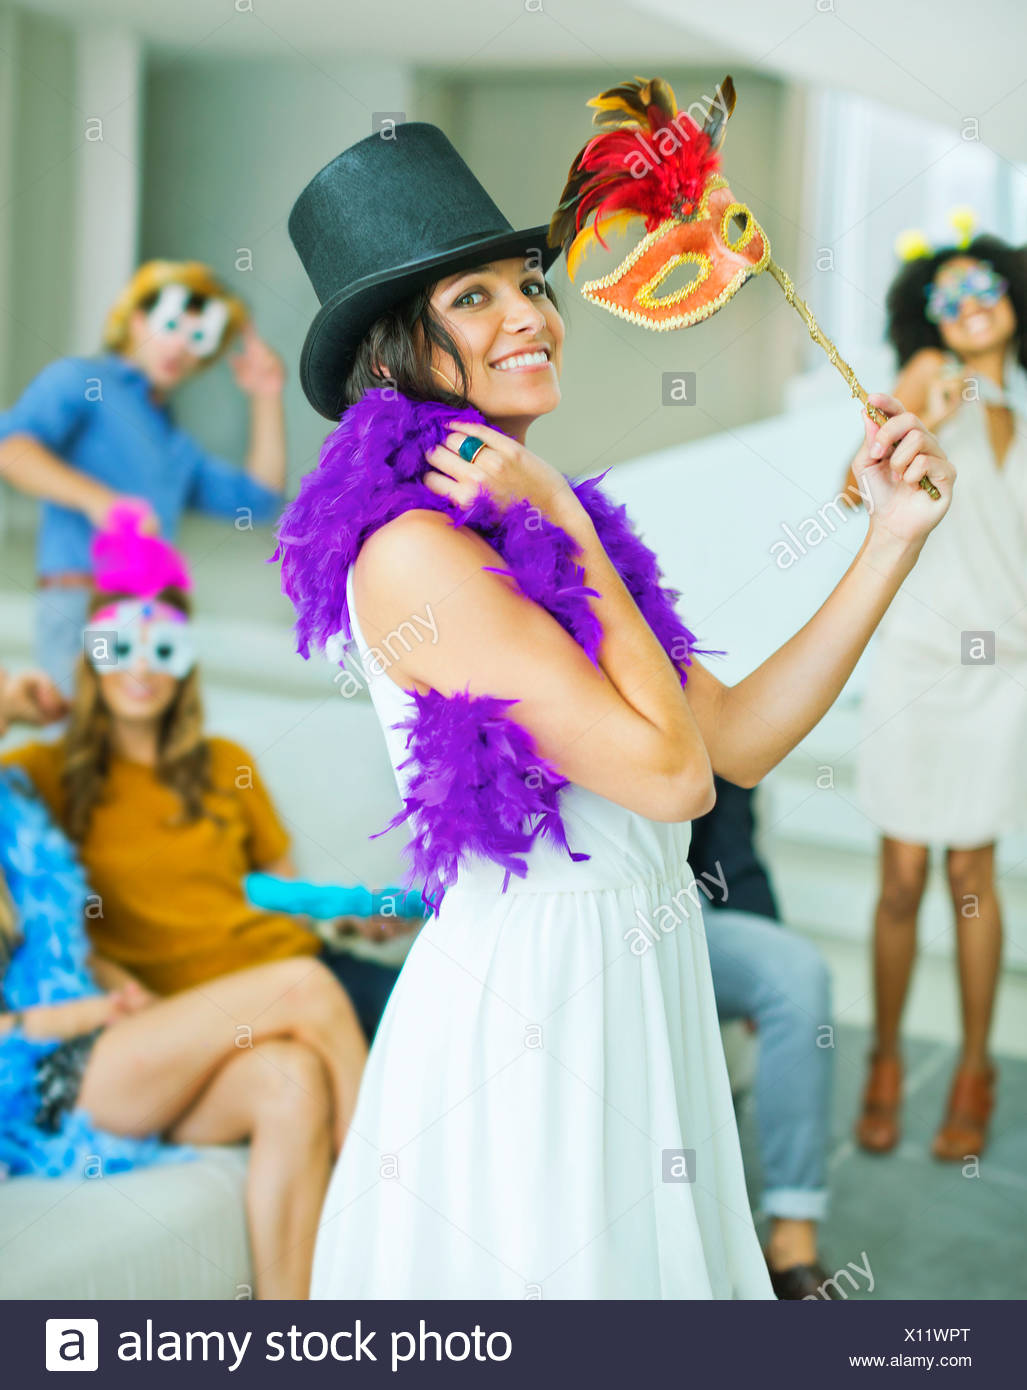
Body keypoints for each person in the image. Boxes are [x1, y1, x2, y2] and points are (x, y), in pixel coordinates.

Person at [275, 123, 953, 1300]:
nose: (530, 314)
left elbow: (731, 737)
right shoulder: (415, 553)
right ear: (390, 362)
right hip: (533, 1012)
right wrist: (572, 526)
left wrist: (889, 539)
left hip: (644, 970)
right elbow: (673, 780)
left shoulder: (540, 532)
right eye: (474, 298)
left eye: (529, 283)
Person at [0, 663, 368, 1299]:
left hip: (90, 1047)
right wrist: (66, 1019)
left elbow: (58, 944)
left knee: (291, 1078)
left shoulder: (19, 800)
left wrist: (116, 991)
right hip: (35, 1082)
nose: (16, 678)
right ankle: (390, 1200)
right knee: (303, 986)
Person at [2, 514, 414, 1043]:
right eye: (121, 646)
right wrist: (12, 708)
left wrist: (343, 920)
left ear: (185, 665)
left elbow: (285, 897)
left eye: (164, 649)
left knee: (443, 1019)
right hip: (207, 1015)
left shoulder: (225, 762)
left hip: (303, 968)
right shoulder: (46, 775)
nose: (143, 670)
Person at [841, 222, 1027, 1160]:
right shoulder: (926, 376)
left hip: (1002, 672)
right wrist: (921, 422)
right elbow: (856, 476)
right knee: (902, 879)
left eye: (981, 284)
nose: (967, 304)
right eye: (945, 295)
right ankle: (879, 1058)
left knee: (969, 876)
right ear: (927, 316)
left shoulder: (1024, 407)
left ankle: (972, 1068)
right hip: (915, 660)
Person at [0, 260, 287, 693]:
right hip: (80, 604)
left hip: (151, 619)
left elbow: (258, 500)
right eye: (169, 324)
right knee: (81, 746)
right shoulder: (80, 380)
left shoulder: (175, 446)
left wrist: (266, 398)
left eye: (198, 338)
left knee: (130, 755)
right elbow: (11, 452)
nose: (180, 347)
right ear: (135, 320)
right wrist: (101, 502)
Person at [687, 776, 836, 1300]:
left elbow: (727, 839)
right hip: (556, 917)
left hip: (680, 910)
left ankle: (792, 1240)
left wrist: (757, 921)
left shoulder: (689, 693)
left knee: (798, 975)